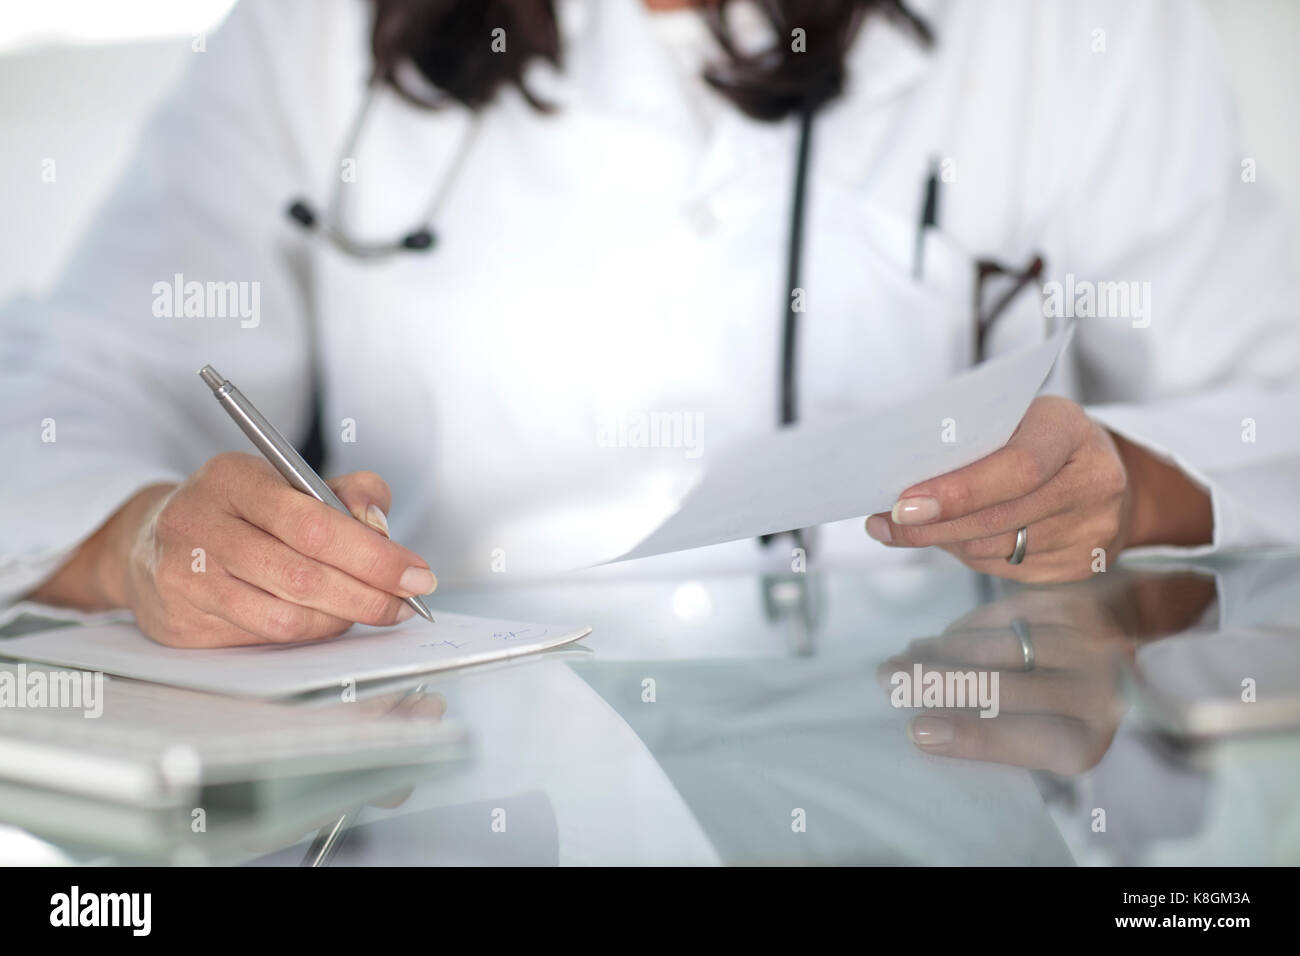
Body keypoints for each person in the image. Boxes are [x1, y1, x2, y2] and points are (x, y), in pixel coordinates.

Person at [2, 0, 1297, 647]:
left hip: (937, 767)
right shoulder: (309, 33)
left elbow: (1276, 397)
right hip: (444, 782)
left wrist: (1134, 483)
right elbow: (64, 393)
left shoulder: (1075, 29)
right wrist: (140, 543)